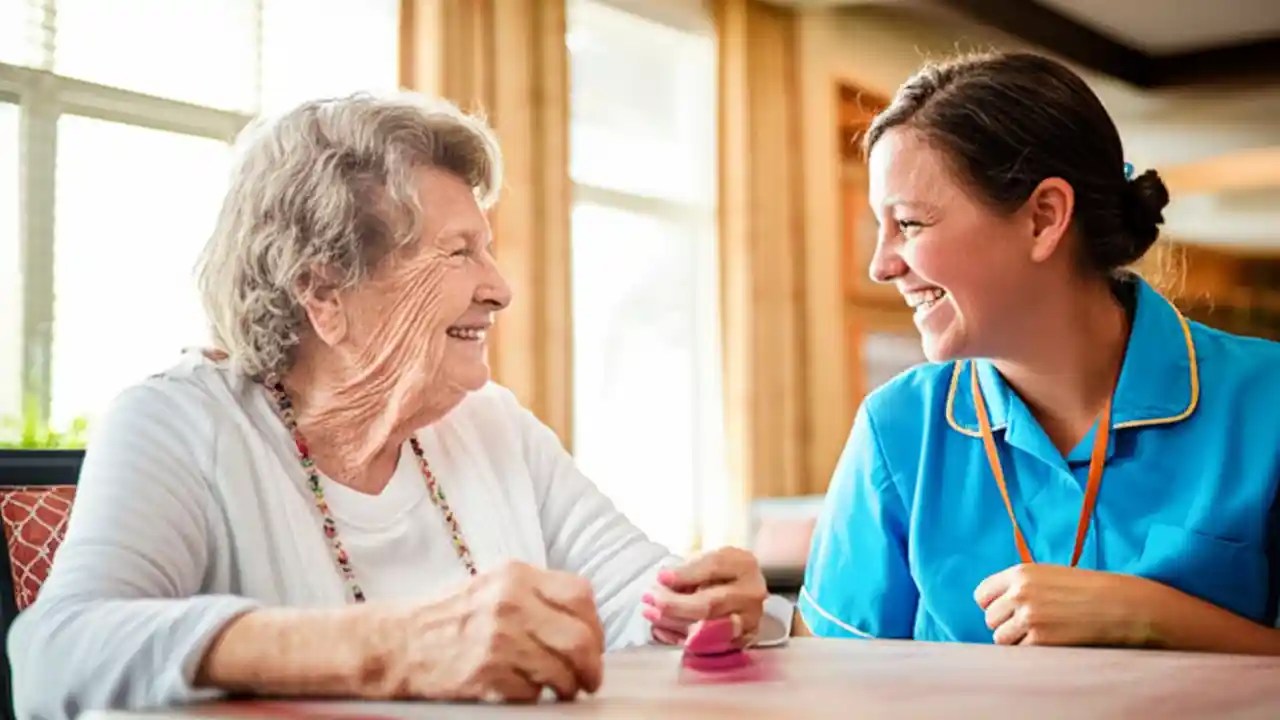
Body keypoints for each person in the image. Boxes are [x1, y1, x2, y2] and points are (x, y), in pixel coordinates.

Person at [9, 92, 785, 719]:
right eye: (459, 252)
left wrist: (701, 604)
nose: (499, 286)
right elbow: (57, 653)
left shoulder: (492, 428)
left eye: (488, 247)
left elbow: (636, 601)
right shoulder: (182, 425)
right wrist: (388, 647)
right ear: (323, 290)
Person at [797, 51, 1280, 653]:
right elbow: (834, 677)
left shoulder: (1268, 403)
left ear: (1043, 219)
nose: (881, 265)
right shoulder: (897, 430)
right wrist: (750, 627)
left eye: (910, 224)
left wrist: (1148, 616)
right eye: (881, 227)